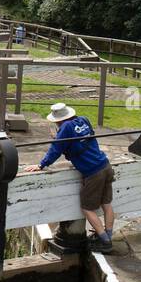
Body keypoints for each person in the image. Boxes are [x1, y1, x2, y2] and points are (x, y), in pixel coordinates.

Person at [23, 102, 116, 252]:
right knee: (106, 204)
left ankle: (105, 241)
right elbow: (84, 141)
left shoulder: (65, 128)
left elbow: (56, 149)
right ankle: (108, 235)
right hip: (105, 165)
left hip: (93, 172)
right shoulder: (84, 120)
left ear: (57, 120)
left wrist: (41, 165)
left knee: (87, 208)